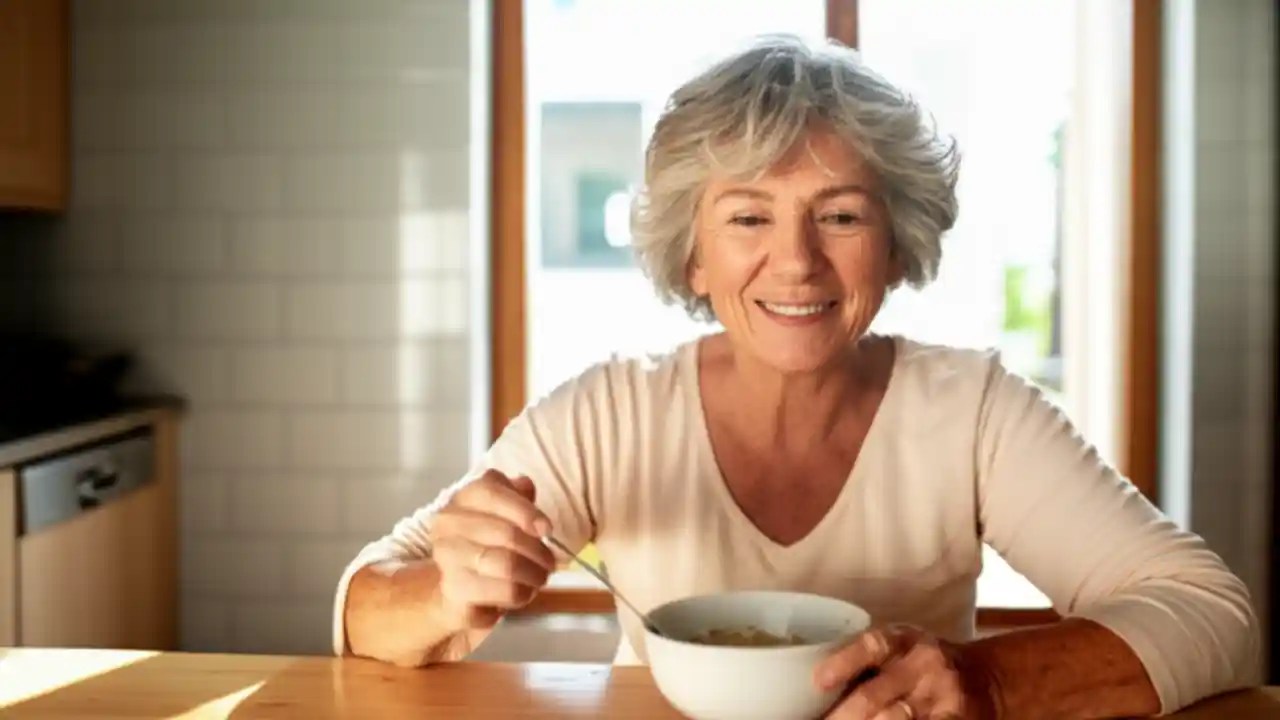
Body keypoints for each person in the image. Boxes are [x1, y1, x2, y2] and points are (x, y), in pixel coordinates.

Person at [334, 35, 1259, 719]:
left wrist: (989, 680)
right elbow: (363, 609)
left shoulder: (972, 411)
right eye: (747, 219)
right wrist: (446, 590)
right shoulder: (610, 411)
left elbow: (1213, 615)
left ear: (896, 247)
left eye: (842, 217)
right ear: (691, 257)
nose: (796, 264)